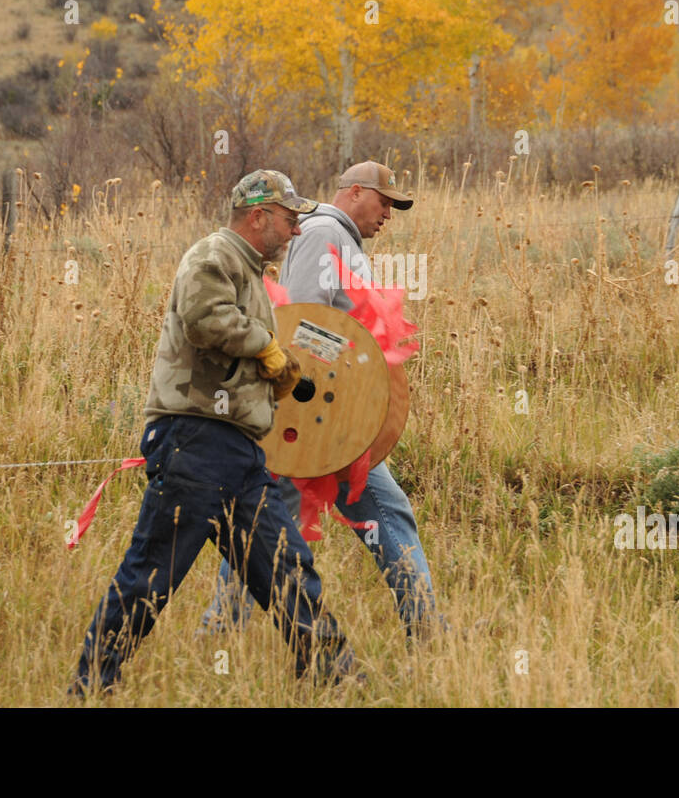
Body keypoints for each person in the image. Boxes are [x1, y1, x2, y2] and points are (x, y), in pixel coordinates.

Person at [72, 170, 357, 694]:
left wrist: (273, 384)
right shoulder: (214, 256)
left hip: (238, 451)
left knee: (285, 564)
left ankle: (334, 674)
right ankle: (91, 686)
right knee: (151, 575)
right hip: (195, 443)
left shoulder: (248, 270)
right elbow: (205, 318)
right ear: (259, 216)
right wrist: (268, 348)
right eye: (290, 219)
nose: (296, 231)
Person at [201, 161, 442, 640]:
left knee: (268, 518)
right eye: (385, 201)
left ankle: (219, 630)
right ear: (355, 192)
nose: (389, 214)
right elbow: (306, 325)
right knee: (381, 510)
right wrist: (345, 385)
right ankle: (428, 629)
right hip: (325, 415)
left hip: (329, 410)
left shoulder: (338, 238)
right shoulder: (324, 232)